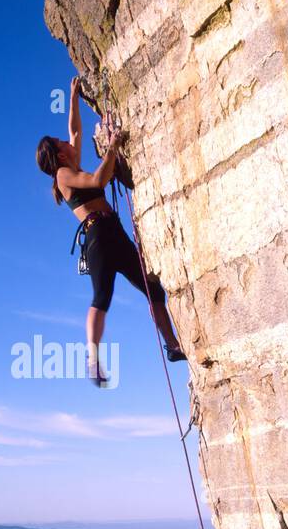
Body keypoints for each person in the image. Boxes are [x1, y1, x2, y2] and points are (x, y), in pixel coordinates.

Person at [35, 77, 184, 386]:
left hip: (113, 231)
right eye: (60, 143)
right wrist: (112, 149)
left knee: (153, 290)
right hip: (98, 237)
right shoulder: (64, 174)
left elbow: (75, 130)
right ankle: (92, 357)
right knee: (102, 296)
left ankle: (173, 346)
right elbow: (97, 182)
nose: (67, 142)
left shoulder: (69, 161)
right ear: (57, 154)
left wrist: (73, 97)